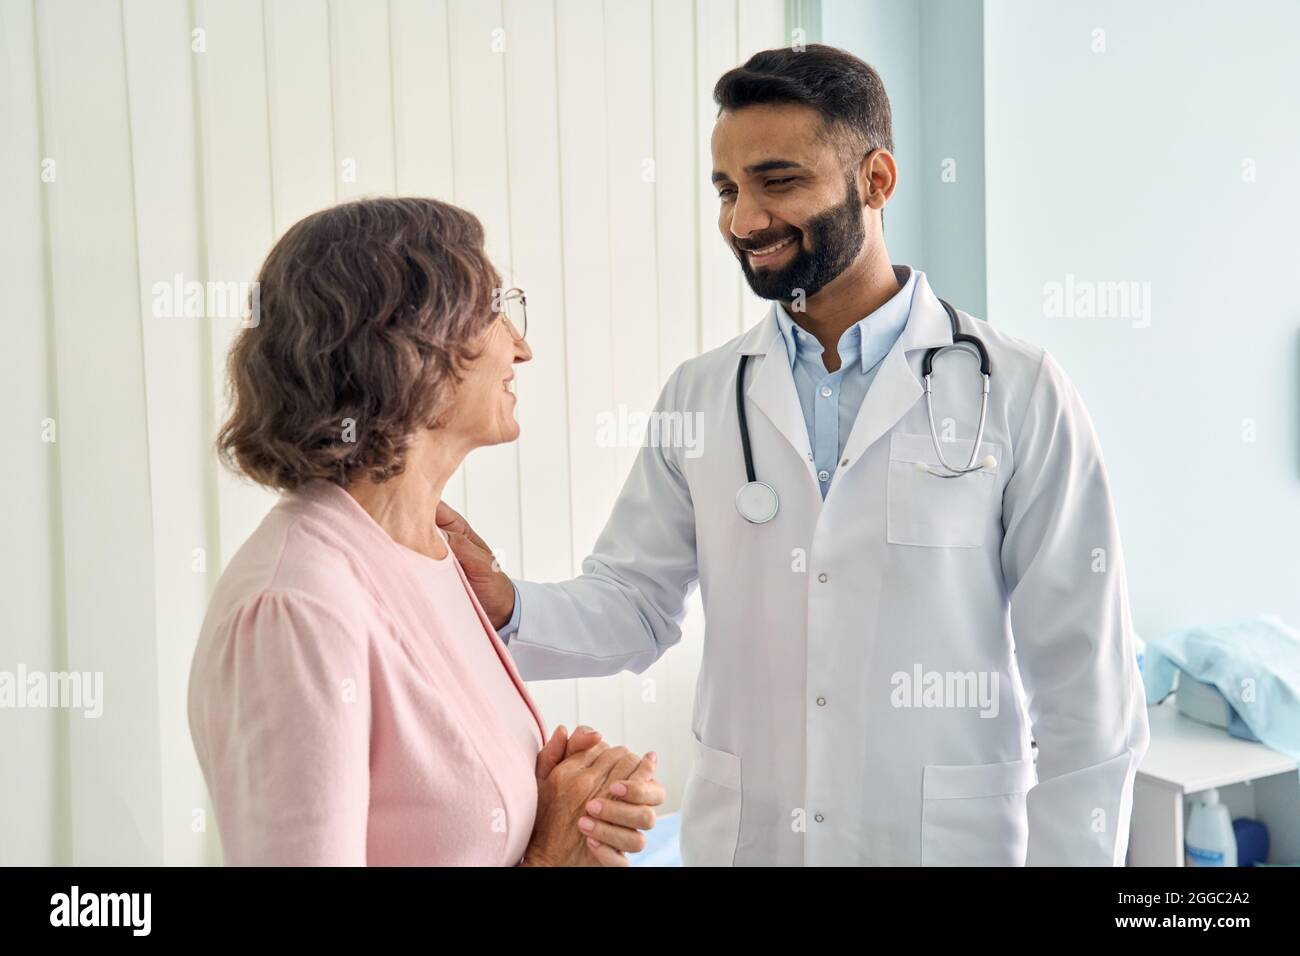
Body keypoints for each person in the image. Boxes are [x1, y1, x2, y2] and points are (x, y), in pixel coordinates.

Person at [438, 45, 1150, 866]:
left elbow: (1085, 683)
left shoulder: (1018, 391)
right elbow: (634, 604)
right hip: (754, 842)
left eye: (779, 183)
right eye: (727, 190)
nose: (744, 220)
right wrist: (505, 603)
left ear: (875, 180)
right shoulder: (703, 395)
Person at [188, 197, 661, 866]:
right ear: (413, 347)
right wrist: (548, 861)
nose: (520, 347)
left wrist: (570, 808)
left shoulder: (427, 556)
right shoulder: (296, 607)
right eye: (496, 310)